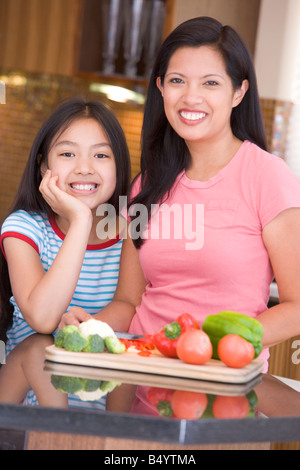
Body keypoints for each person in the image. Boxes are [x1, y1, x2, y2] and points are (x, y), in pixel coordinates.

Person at [60, 17, 300, 378]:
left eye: (211, 83)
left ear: (238, 92)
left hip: (222, 385)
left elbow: (297, 306)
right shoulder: (148, 184)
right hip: (138, 376)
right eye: (177, 81)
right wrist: (92, 327)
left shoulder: (268, 177)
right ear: (160, 88)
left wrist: (211, 348)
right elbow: (129, 302)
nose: (191, 97)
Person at [0, 97, 130, 408]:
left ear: (119, 165)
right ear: (44, 165)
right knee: (40, 345)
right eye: (68, 153)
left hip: (104, 407)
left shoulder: (134, 234)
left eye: (101, 155)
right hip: (27, 408)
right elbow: (44, 318)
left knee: (128, 350)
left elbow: (131, 308)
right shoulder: (24, 228)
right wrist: (81, 220)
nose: (84, 168)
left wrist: (87, 328)